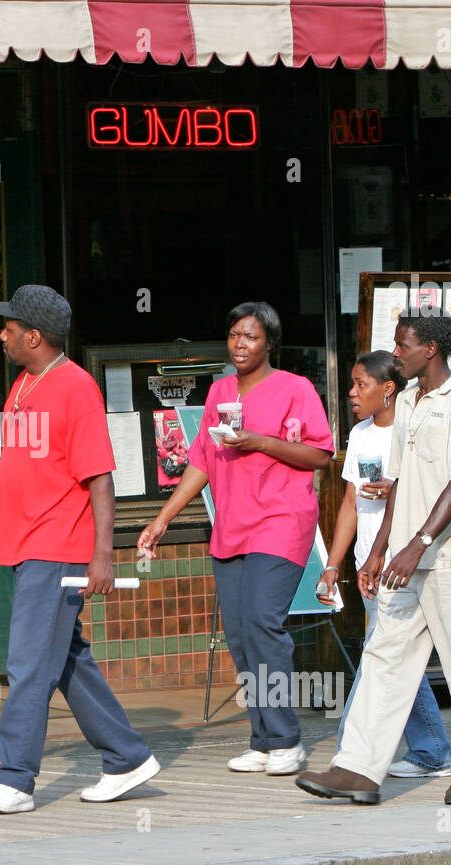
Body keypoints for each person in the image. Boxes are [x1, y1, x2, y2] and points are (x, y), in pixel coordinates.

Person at [0, 284, 159, 814]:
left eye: (8, 327)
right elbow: (9, 466)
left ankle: (15, 779)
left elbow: (101, 479)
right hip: (26, 544)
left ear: (34, 335)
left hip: (59, 547)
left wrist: (102, 554)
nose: (0, 334)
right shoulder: (23, 384)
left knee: (28, 663)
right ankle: (127, 756)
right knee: (65, 659)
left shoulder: (77, 389)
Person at [296, 312, 451, 806]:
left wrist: (417, 544)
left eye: (404, 345)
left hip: (448, 557)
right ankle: (360, 768)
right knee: (384, 655)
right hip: (404, 559)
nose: (398, 351)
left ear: (430, 349)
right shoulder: (408, 400)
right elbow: (401, 482)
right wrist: (382, 548)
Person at [138, 302, 333, 775]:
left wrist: (259, 441)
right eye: (234, 336)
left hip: (282, 520)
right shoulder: (220, 391)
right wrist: (162, 519)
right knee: (242, 634)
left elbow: (320, 455)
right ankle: (263, 739)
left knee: (264, 624)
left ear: (270, 342)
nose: (240, 344)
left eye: (250, 336)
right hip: (232, 526)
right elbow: (201, 462)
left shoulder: (296, 388)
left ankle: (287, 738)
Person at [319, 351, 451, 778]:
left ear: (388, 389)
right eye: (353, 384)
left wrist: (396, 490)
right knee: (394, 657)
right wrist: (333, 565)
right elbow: (349, 505)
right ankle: (433, 750)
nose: (352, 393)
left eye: (361, 384)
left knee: (380, 656)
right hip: (367, 566)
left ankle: (349, 757)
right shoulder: (360, 435)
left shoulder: (411, 432)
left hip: (401, 564)